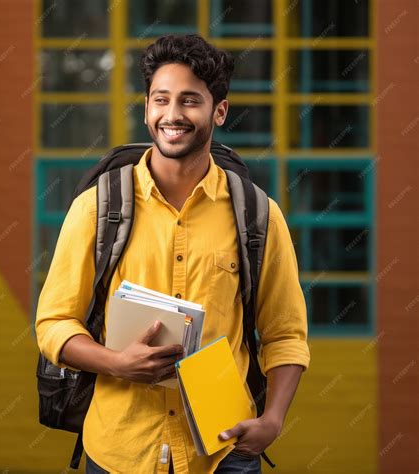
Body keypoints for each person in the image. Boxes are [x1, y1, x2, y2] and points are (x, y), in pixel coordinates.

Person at [35, 34, 310, 474]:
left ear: (219, 110)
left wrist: (272, 420)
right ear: (146, 107)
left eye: (189, 100)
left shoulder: (258, 215)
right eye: (160, 99)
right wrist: (117, 364)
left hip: (224, 453)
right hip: (119, 452)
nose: (172, 114)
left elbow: (286, 335)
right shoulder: (97, 208)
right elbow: (52, 324)